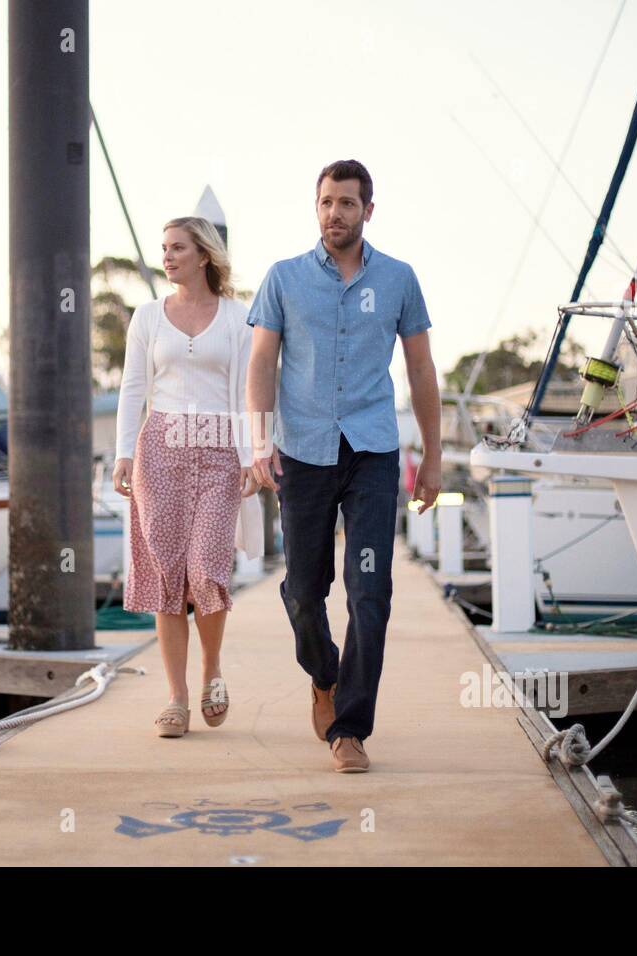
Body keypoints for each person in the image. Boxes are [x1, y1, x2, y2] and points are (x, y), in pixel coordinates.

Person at [246, 159, 443, 772]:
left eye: (347, 204)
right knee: (305, 591)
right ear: (317, 207)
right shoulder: (283, 278)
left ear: (368, 211)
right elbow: (260, 365)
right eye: (327, 202)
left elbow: (420, 370)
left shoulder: (399, 280)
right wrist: (258, 442)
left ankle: (350, 728)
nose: (335, 213)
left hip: (373, 452)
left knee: (369, 591)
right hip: (301, 453)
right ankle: (324, 674)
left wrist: (431, 458)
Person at [113, 216, 260, 738]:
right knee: (165, 577)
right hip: (159, 451)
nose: (168, 256)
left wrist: (255, 455)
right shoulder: (148, 317)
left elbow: (251, 391)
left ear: (204, 255)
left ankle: (211, 670)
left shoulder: (239, 317)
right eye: (164, 248)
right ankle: (176, 698)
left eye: (178, 248)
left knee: (206, 568)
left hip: (221, 452)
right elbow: (133, 389)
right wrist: (124, 453)